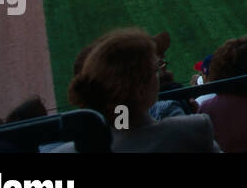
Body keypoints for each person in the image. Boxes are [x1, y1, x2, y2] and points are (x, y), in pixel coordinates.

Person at [68, 29, 220, 152]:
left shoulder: (66, 150)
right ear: (141, 91)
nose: (161, 72)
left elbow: (123, 127)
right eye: (155, 69)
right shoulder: (194, 130)